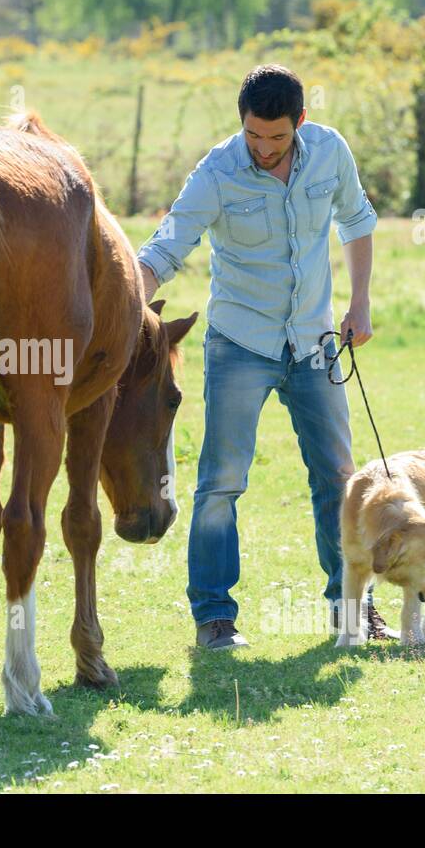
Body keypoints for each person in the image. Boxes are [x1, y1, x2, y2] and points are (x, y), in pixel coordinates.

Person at [138, 64, 400, 649]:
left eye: (277, 138)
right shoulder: (218, 171)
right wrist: (127, 298)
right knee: (222, 482)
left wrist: (359, 303)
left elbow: (356, 220)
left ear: (300, 123)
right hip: (239, 343)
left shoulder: (330, 152)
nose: (263, 149)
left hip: (313, 340)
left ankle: (352, 610)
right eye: (254, 136)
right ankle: (214, 617)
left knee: (339, 479)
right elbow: (166, 245)